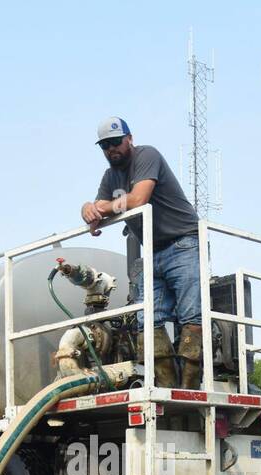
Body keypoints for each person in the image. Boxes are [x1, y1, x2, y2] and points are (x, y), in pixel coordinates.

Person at [80, 117, 203, 388]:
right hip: (154, 251)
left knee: (191, 315)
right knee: (148, 320)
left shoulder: (148, 155)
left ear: (129, 138)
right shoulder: (111, 176)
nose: (111, 149)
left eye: (115, 142)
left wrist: (102, 207)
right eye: (105, 146)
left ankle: (190, 389)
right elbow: (96, 215)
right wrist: (87, 208)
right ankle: (169, 388)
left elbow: (138, 199)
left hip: (183, 243)